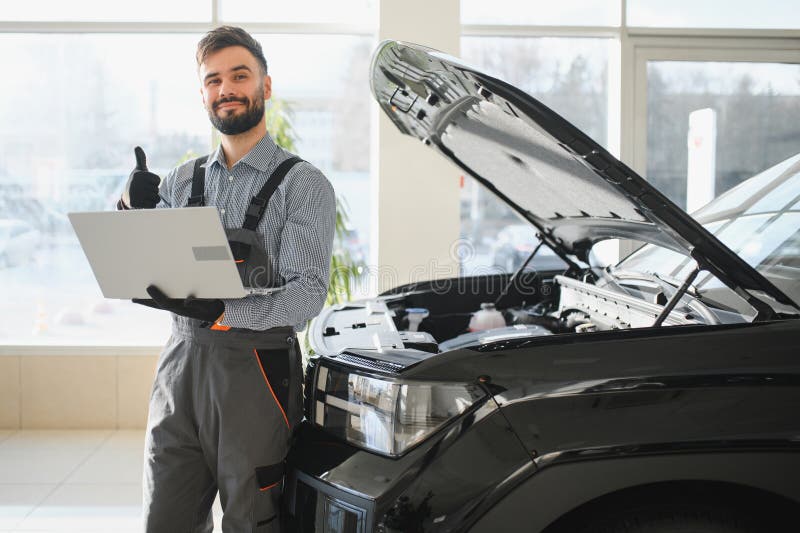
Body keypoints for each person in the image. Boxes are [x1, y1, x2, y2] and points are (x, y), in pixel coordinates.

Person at [117, 26, 336, 533]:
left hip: (255, 371)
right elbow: (143, 262)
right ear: (203, 94)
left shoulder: (303, 184)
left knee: (251, 515)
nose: (226, 89)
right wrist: (130, 205)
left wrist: (225, 311)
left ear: (265, 85)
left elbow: (307, 293)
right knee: (164, 515)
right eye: (213, 80)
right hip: (180, 366)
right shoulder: (181, 180)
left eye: (240, 75)